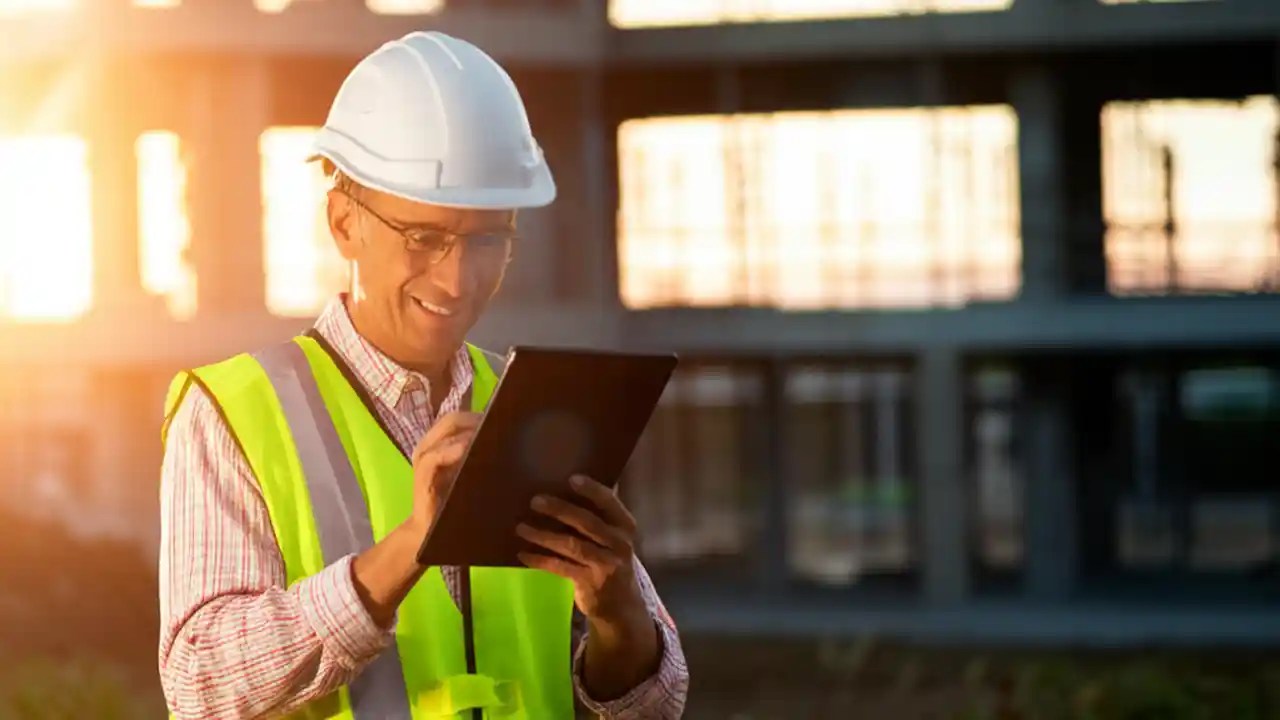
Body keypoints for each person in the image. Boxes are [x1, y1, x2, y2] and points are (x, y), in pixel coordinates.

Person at [158, 31, 689, 719]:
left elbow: (657, 703)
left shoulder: (529, 406)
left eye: (488, 239)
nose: (458, 277)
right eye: (426, 238)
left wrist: (618, 614)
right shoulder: (234, 411)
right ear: (344, 223)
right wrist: (408, 550)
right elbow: (200, 684)